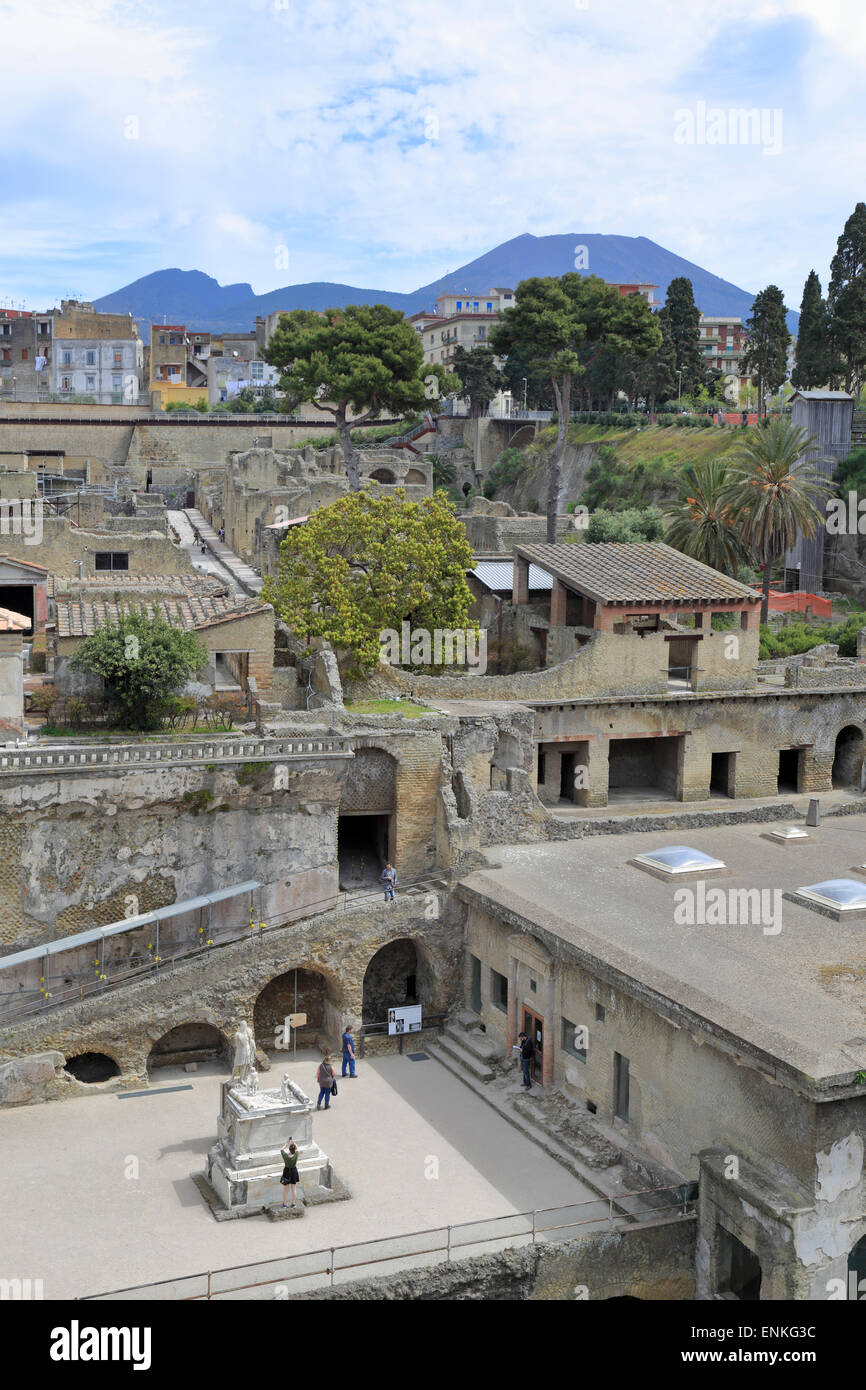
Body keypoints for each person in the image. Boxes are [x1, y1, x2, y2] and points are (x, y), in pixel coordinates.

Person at [280, 1137, 300, 1208]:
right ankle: (293, 1203)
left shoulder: (286, 1156)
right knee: (293, 1189)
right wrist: (293, 1141)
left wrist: (287, 1142)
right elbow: (297, 1147)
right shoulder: (296, 1154)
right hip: (294, 1171)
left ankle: (284, 1204)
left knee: (286, 1189)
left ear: (289, 1150)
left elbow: (282, 1149)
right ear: (294, 1150)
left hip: (286, 1171)